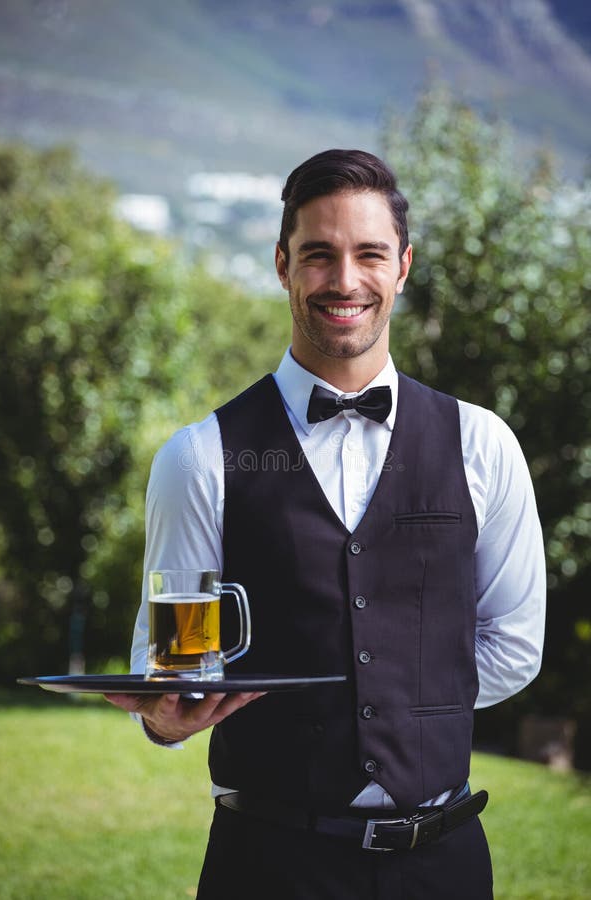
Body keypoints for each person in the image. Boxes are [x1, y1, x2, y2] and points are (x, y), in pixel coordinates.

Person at [107, 149, 546, 899]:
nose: (345, 281)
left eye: (369, 254)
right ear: (282, 265)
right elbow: (179, 660)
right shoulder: (200, 459)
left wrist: (400, 705)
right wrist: (168, 719)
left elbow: (514, 645)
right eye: (319, 255)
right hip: (267, 864)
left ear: (401, 267)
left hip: (444, 866)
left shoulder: (482, 445)